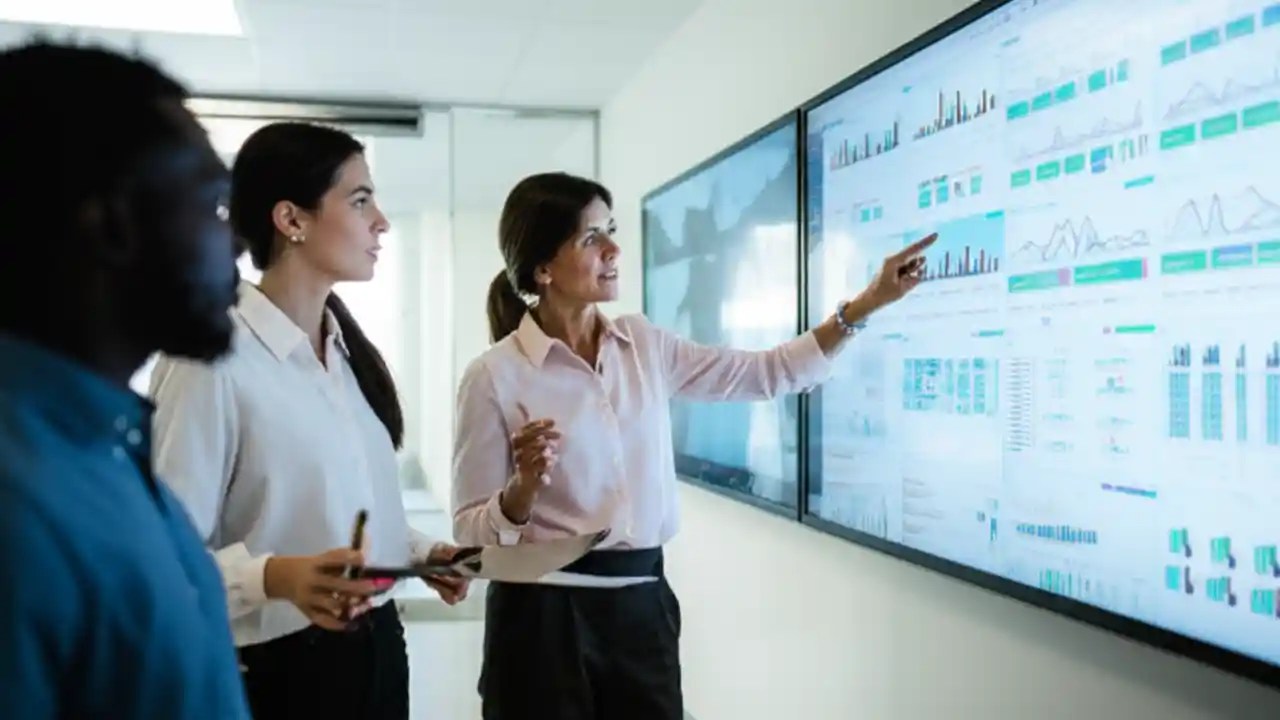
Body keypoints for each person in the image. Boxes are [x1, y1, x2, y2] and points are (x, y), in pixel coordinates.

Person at [451, 171, 935, 719]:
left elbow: (766, 372)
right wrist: (520, 493)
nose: (614, 249)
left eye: (610, 230)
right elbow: (469, 537)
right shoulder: (493, 376)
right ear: (542, 268)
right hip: (540, 619)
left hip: (642, 607)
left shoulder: (644, 345)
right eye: (591, 238)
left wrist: (866, 303)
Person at [148, 121, 468, 720]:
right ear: (291, 219)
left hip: (376, 650)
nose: (382, 223)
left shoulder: (344, 355)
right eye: (360, 199)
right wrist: (274, 577)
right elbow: (163, 560)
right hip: (276, 673)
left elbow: (337, 508)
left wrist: (419, 553)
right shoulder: (209, 359)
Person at [0, 42, 250, 718]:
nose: (237, 246)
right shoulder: (20, 501)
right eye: (213, 206)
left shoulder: (109, 454)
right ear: (112, 226)